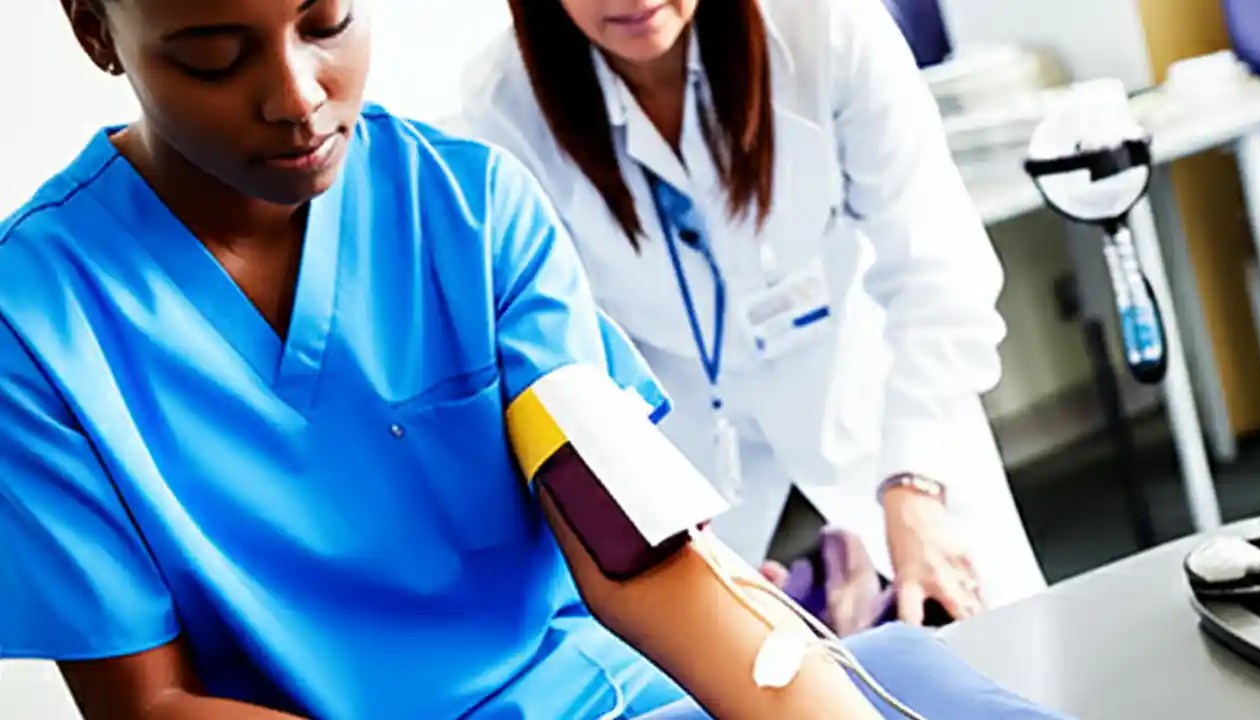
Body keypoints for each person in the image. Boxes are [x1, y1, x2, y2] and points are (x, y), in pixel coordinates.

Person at [0, 1, 1073, 719]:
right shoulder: (36, 320)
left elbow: (636, 554)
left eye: (326, 22)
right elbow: (146, 707)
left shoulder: (470, 211)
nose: (296, 94)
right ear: (96, 30)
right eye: (211, 54)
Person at [460, 0, 1047, 628]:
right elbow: (563, 371)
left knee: (992, 660)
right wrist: (673, 537)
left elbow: (936, 269)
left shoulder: (824, 26)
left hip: (886, 432)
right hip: (694, 485)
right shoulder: (505, 109)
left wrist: (917, 484)